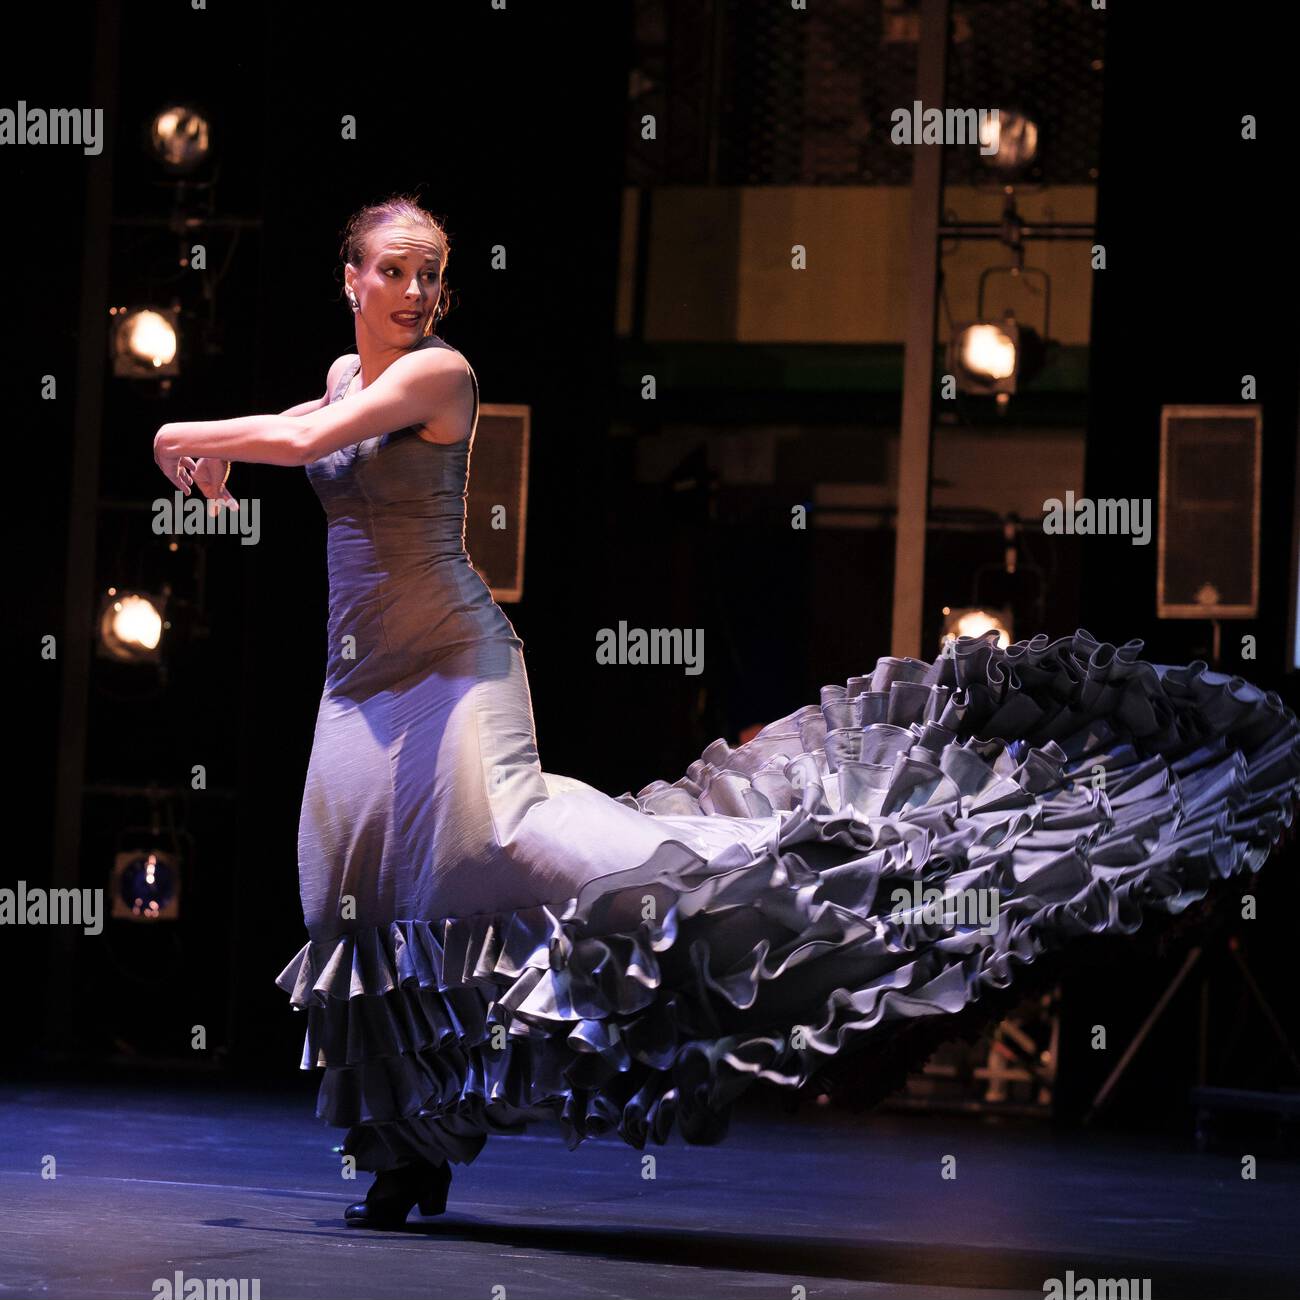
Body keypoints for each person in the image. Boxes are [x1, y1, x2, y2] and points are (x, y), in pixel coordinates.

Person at [153, 196, 1300, 1231]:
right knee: (352, 898)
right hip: (361, 683)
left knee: (508, 846)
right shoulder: (348, 378)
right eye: (394, 271)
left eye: (431, 272)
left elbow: (300, 445)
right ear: (350, 278)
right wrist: (220, 451)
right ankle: (406, 1152)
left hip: (456, 665)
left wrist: (187, 438)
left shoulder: (438, 376)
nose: (415, 292)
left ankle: (785, 872)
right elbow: (313, 423)